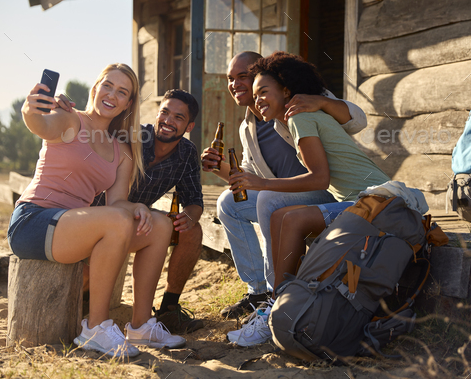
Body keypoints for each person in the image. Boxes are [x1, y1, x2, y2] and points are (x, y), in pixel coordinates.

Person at [8, 64, 186, 358]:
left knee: (161, 225)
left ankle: (141, 325)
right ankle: (95, 328)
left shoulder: (122, 152)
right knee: (117, 221)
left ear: (128, 103)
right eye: (107, 86)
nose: (111, 95)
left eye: (122, 92)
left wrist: (139, 207)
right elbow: (41, 125)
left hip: (73, 229)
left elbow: (117, 204)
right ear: (95, 88)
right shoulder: (69, 118)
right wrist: (31, 109)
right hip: (34, 222)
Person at [224, 51, 390, 346]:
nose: (254, 95)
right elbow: (248, 174)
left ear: (286, 89)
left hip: (372, 200)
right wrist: (225, 171)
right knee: (270, 209)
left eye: (261, 89)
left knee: (285, 213)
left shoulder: (303, 107)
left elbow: (321, 175)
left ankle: (279, 303)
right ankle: (273, 299)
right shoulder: (262, 123)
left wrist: (323, 101)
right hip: (350, 197)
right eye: (253, 92)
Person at [201, 51, 368, 319]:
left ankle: (274, 294)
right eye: (230, 79)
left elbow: (359, 120)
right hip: (287, 193)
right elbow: (251, 175)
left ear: (262, 79)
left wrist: (320, 101)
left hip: (327, 190)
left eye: (242, 76)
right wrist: (218, 166)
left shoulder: (300, 101)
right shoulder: (249, 126)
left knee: (268, 199)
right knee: (228, 203)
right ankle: (256, 291)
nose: (234, 84)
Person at [60, 89, 205, 335]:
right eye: (165, 112)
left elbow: (194, 200)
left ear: (189, 126)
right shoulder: (132, 134)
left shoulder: (187, 153)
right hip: (94, 218)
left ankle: (166, 310)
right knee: (82, 278)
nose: (169, 121)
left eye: (178, 118)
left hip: (136, 221)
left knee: (191, 230)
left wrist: (190, 216)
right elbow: (93, 125)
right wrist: (66, 111)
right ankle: (85, 317)